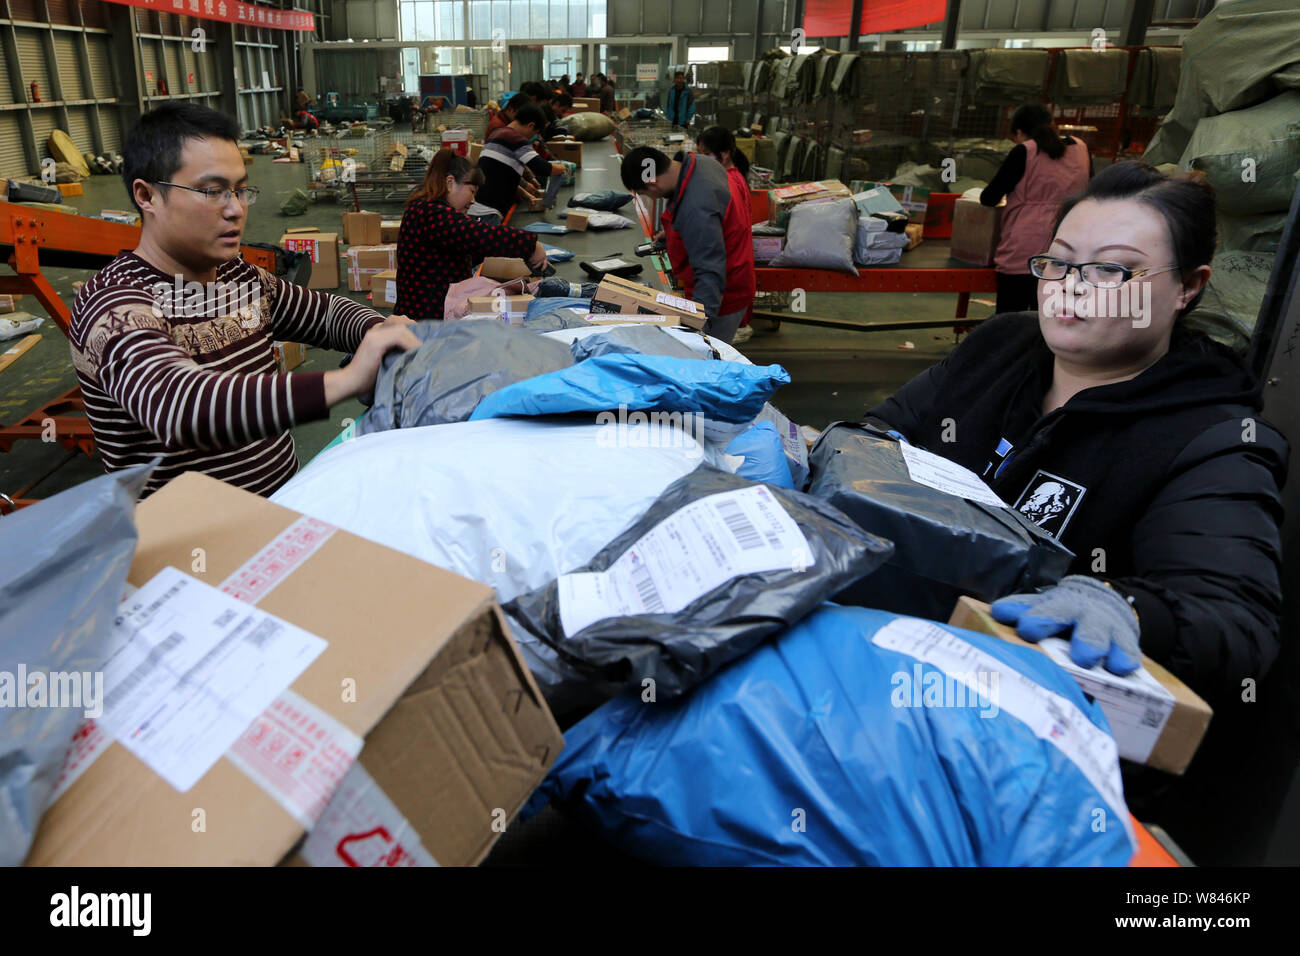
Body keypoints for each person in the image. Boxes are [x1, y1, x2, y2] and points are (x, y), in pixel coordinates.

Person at [862, 161, 1288, 864]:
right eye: (1058, 264)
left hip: (1026, 763)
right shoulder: (999, 349)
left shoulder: (1211, 440)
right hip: (888, 673)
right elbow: (884, 435)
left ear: (1188, 287)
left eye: (1111, 272)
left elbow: (1233, 623)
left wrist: (1117, 602)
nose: (1070, 289)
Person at [68, 102, 421, 499]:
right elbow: (182, 406)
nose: (235, 210)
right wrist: (347, 381)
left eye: (240, 190)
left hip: (280, 515)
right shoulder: (116, 307)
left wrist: (379, 329)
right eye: (212, 191)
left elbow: (325, 314)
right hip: (189, 551)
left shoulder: (238, 275)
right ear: (147, 195)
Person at [621, 146, 756, 344]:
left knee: (706, 362)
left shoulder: (698, 209)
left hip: (723, 295)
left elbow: (710, 273)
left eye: (646, 193)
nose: (653, 198)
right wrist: (676, 232)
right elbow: (716, 216)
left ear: (653, 184)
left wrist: (697, 329)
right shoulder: (699, 162)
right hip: (736, 271)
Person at [396, 149, 547, 321]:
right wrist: (530, 245)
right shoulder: (431, 213)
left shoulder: (427, 211)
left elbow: (465, 249)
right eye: (472, 191)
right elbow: (479, 237)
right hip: (426, 321)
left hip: (430, 312)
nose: (473, 200)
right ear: (450, 182)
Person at [982, 103, 1091, 314]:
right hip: (1069, 245)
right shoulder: (1081, 148)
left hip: (1024, 250)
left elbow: (989, 197)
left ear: (1020, 132)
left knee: (1011, 321)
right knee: (1051, 317)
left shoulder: (1024, 151)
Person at [695, 126, 755, 341]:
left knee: (710, 355)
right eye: (698, 155)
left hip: (727, 288)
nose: (701, 161)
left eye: (706, 155)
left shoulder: (723, 186)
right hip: (736, 282)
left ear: (725, 154)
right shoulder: (735, 177)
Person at [478, 102, 567, 219]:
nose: (531, 138)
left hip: (481, 205)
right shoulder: (516, 139)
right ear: (530, 125)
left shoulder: (496, 133)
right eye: (534, 133)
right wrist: (562, 167)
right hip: (489, 211)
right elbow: (543, 168)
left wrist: (526, 194)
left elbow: (503, 173)